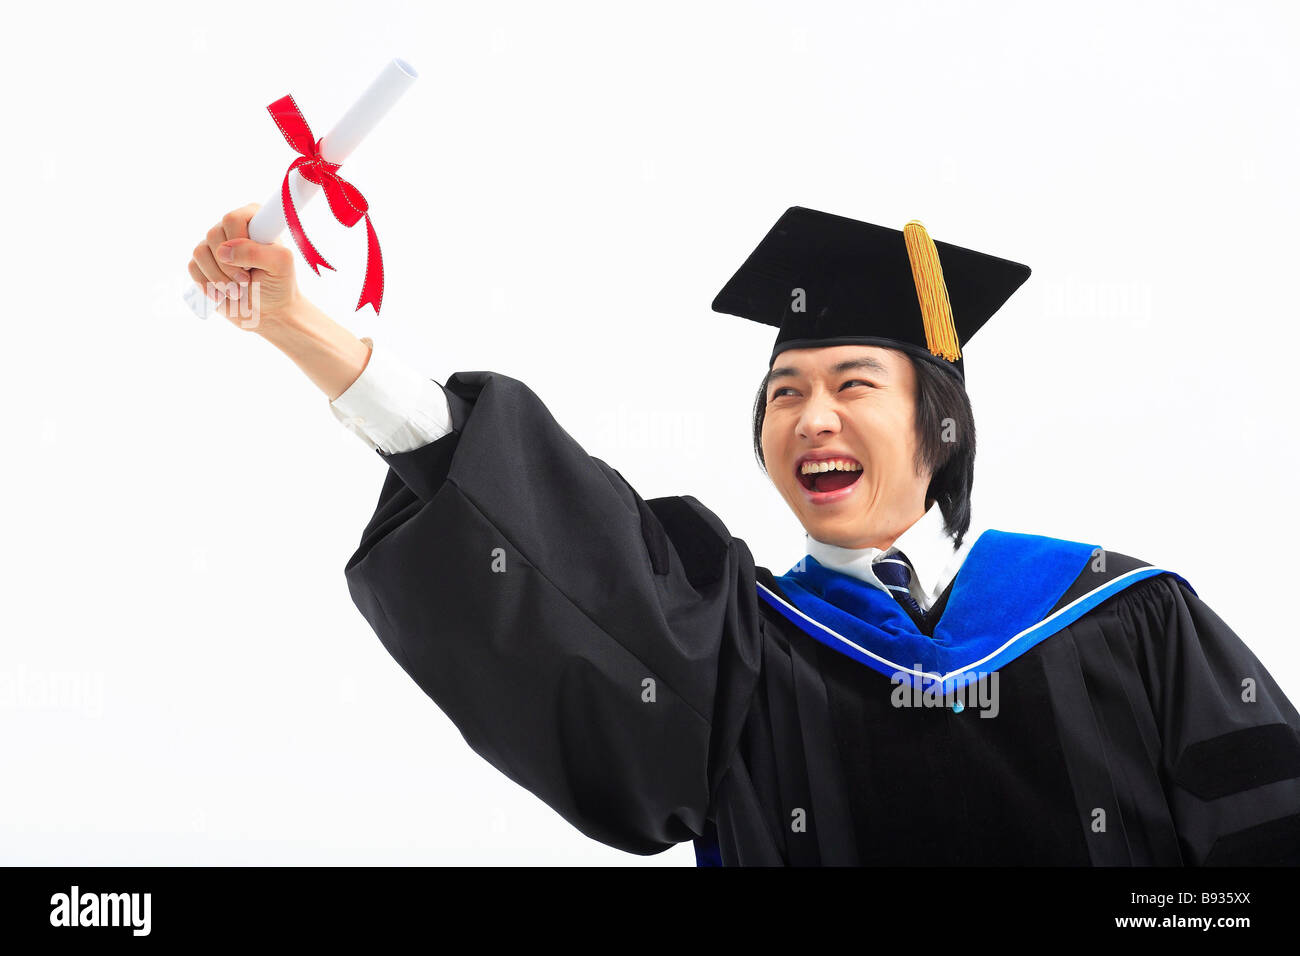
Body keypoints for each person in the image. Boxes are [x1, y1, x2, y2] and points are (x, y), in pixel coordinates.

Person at [188, 203, 1300, 865]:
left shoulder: (1128, 616)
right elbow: (563, 559)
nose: (810, 416)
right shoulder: (739, 650)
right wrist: (307, 331)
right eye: (782, 393)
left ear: (940, 421)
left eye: (851, 381)